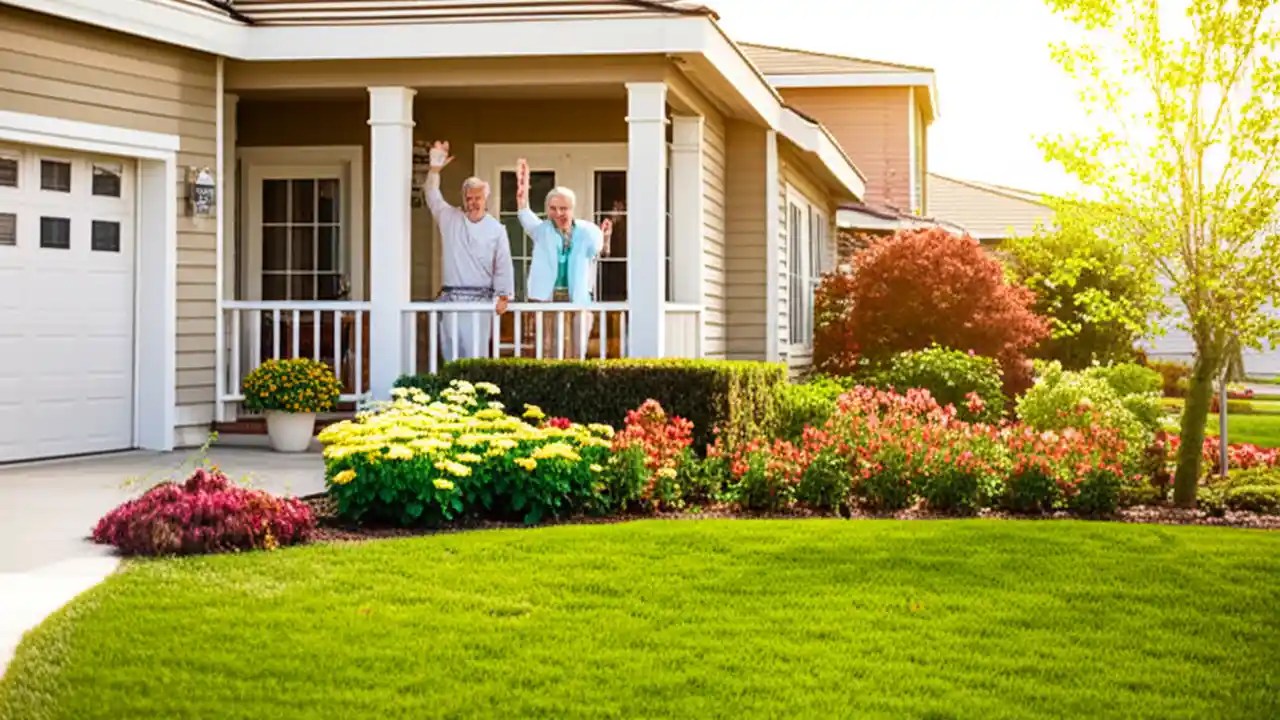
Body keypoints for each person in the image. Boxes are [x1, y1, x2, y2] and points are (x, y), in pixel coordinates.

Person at [425, 141, 514, 361]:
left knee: (476, 357)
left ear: (486, 199)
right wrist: (435, 169)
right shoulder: (450, 219)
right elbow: (432, 196)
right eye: (469, 198)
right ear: (464, 198)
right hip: (450, 299)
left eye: (478, 198)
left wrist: (504, 295)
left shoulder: (496, 229)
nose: (473, 202)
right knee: (450, 356)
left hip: (479, 303)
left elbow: (503, 264)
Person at [515, 157, 612, 359]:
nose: (558, 213)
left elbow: (599, 251)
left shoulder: (587, 231)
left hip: (577, 297)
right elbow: (525, 215)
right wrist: (522, 193)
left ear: (572, 209)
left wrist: (606, 239)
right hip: (547, 298)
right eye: (553, 208)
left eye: (563, 208)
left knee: (576, 350)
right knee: (547, 348)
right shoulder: (542, 230)